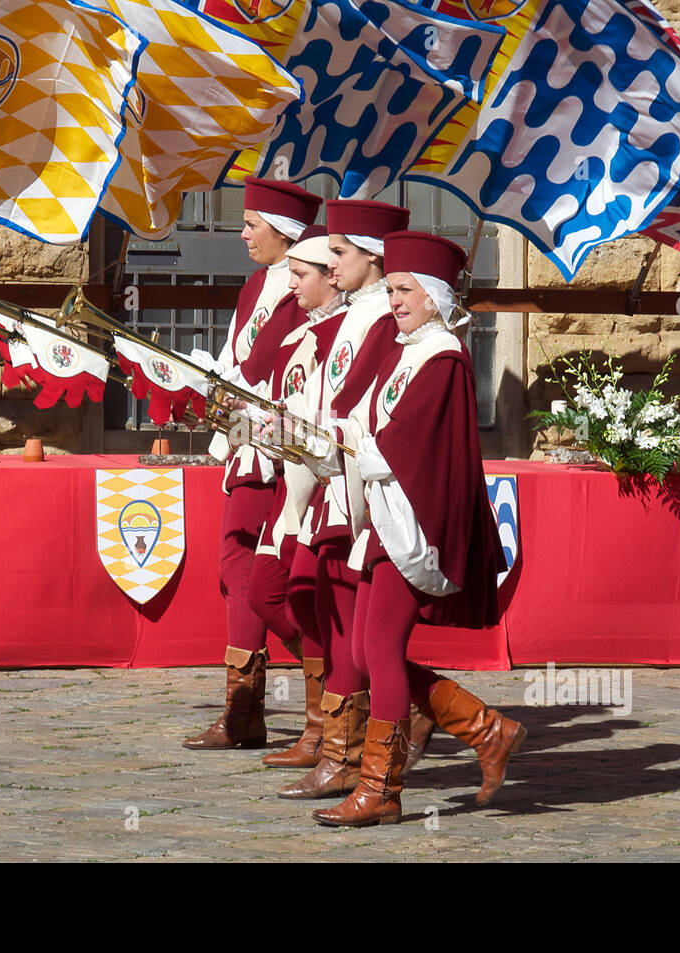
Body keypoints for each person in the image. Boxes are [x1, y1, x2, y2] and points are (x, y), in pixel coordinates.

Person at [310, 231, 525, 827]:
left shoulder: (443, 358)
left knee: (378, 648)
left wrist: (348, 445)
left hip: (414, 520)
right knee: (363, 647)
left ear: (434, 297)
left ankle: (381, 790)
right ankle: (485, 728)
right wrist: (318, 443)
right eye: (392, 289)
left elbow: (411, 444)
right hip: (384, 514)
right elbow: (364, 427)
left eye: (405, 290)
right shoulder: (404, 350)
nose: (395, 299)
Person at [272, 199, 420, 799]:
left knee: (354, 631)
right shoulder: (356, 315)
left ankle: (352, 757)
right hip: (332, 478)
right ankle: (344, 750)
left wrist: (330, 456)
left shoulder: (381, 319)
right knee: (332, 619)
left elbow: (361, 409)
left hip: (358, 488)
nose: (329, 266)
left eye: (339, 253)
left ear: (372, 257)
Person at [183, 177, 322, 751]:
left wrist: (225, 402)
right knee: (234, 571)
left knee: (250, 577)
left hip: (274, 449)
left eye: (251, 225)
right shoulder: (254, 288)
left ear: (284, 233)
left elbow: (275, 382)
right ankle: (249, 712)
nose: (242, 234)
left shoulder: (301, 291)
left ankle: (320, 699)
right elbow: (235, 365)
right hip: (245, 443)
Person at [243, 224, 348, 768]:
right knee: (266, 595)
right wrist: (238, 424)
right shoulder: (297, 335)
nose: (292, 285)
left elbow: (325, 426)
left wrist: (279, 432)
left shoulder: (342, 335)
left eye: (300, 275)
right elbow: (277, 410)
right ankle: (325, 714)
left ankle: (326, 727)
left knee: (307, 604)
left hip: (318, 491)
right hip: (288, 483)